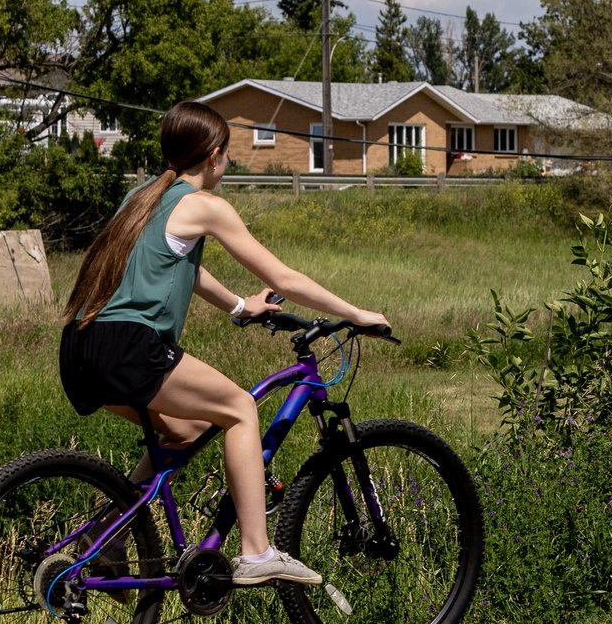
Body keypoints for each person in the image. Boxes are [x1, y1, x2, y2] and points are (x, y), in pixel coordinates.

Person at [59, 100, 390, 587]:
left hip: (80, 346)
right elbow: (282, 276)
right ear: (214, 155)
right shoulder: (205, 205)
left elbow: (180, 266)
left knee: (188, 431)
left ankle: (107, 536)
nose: (228, 162)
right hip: (129, 345)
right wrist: (356, 313)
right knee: (239, 408)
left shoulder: (141, 197)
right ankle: (257, 552)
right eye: (228, 154)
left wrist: (239, 306)